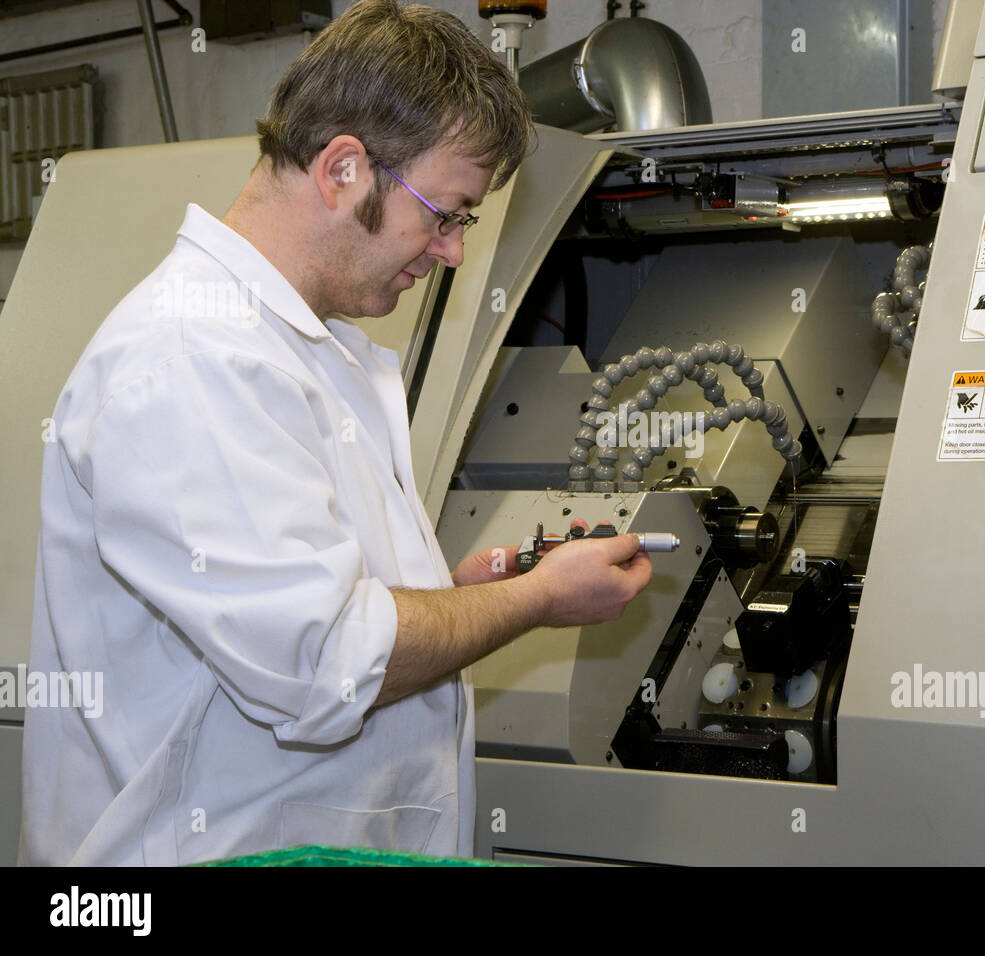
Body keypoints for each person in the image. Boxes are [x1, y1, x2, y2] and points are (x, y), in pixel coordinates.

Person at [21, 0, 652, 866]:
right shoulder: (193, 356)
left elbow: (321, 607)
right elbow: (324, 662)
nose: (453, 252)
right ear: (345, 168)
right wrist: (533, 600)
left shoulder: (303, 353)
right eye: (447, 213)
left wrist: (456, 587)